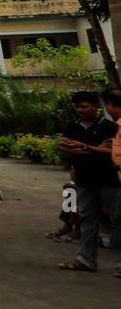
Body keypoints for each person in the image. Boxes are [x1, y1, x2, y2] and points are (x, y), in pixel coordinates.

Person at [57, 90, 121, 275]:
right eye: (78, 107)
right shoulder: (74, 126)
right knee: (86, 219)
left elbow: (111, 150)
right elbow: (64, 146)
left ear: (96, 107)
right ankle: (85, 259)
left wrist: (83, 147)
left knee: (116, 220)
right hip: (84, 180)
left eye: (84, 106)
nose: (80, 110)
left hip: (109, 179)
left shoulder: (110, 126)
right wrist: (93, 150)